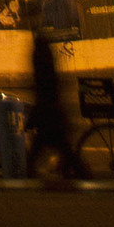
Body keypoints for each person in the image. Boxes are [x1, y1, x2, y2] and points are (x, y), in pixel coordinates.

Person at [28, 21, 82, 183]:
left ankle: (81, 177)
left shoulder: (40, 45)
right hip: (50, 107)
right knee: (62, 149)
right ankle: (76, 175)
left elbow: (46, 79)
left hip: (48, 108)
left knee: (57, 148)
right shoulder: (40, 43)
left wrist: (41, 105)